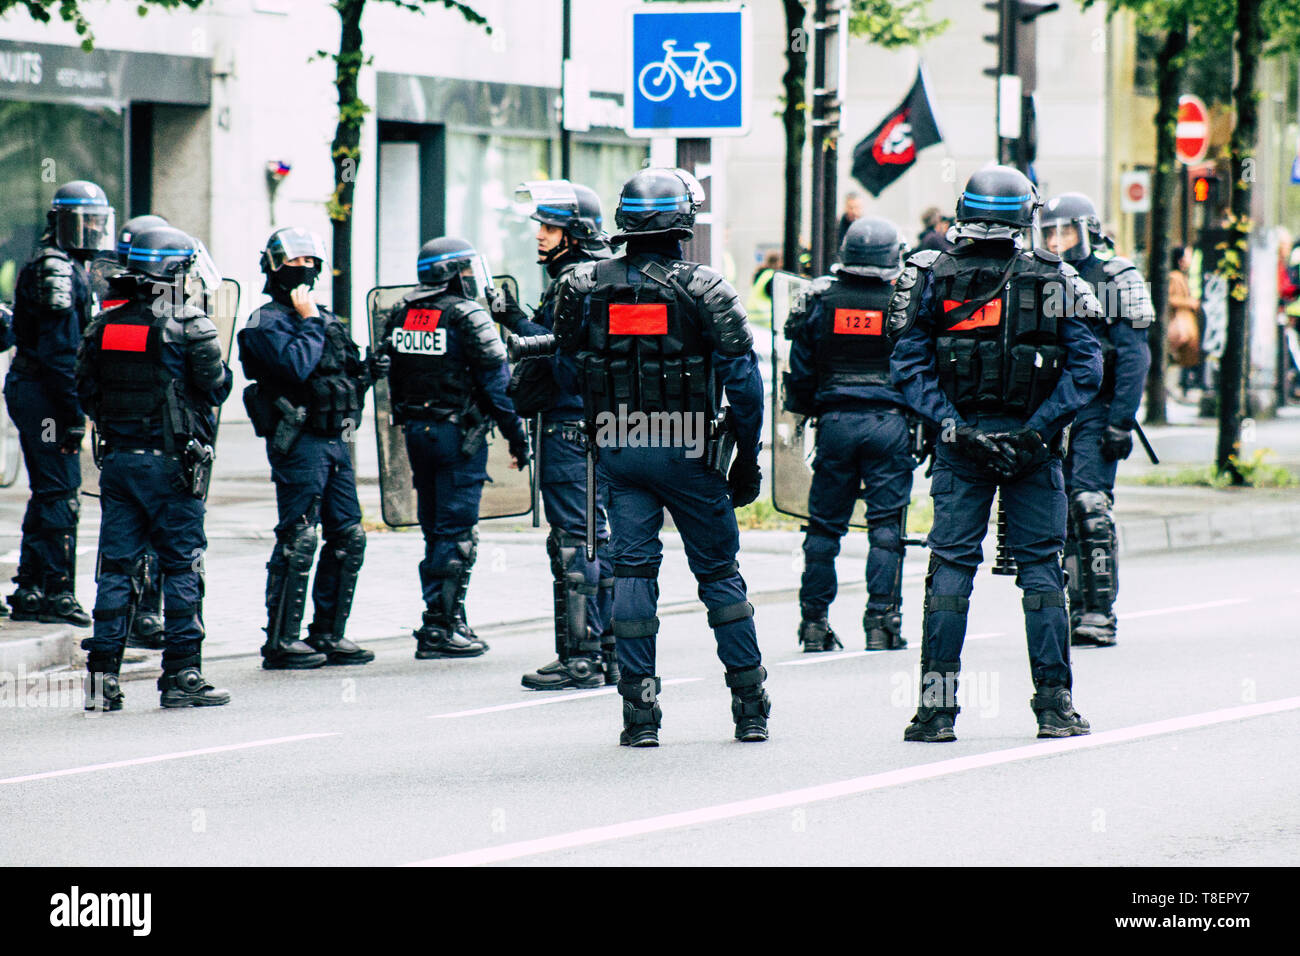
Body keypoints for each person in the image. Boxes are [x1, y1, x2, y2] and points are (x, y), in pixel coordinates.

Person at [551, 167, 769, 747]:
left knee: (633, 572)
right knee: (719, 574)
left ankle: (639, 716)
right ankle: (749, 708)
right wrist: (746, 459)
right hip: (689, 451)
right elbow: (745, 388)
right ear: (684, 222)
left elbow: (564, 361)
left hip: (619, 450)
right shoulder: (705, 289)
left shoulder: (581, 285)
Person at [887, 164, 1103, 742]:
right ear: (1027, 216)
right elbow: (1088, 369)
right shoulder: (1057, 279)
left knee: (951, 568)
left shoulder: (932, 277)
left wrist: (954, 428)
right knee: (1040, 572)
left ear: (964, 210)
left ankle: (935, 713)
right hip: (1033, 449)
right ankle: (1054, 708)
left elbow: (907, 365)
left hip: (962, 447)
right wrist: (1036, 432)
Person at [75, 226, 233, 710]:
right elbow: (217, 387)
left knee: (117, 567)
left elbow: (86, 391)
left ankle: (103, 681)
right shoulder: (190, 324)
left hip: (120, 462)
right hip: (172, 466)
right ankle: (183, 674)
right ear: (172, 272)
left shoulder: (105, 324)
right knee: (182, 562)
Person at [377, 237, 529, 659]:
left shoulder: (401, 313)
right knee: (456, 533)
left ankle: (442, 617)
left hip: (416, 434)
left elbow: (389, 372)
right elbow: (498, 388)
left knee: (435, 529)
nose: (470, 280)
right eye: (465, 271)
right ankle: (441, 627)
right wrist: (518, 437)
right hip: (457, 437)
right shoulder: (469, 316)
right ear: (452, 274)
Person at [238, 227, 383, 670]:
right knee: (300, 536)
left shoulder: (327, 318)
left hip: (336, 442)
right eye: (292, 264)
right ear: (273, 268)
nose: (303, 270)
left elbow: (344, 380)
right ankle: (281, 641)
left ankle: (328, 633)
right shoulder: (264, 322)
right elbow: (296, 366)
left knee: (348, 536)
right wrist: (309, 319)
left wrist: (370, 371)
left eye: (309, 263)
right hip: (299, 442)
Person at [499, 181, 618, 688]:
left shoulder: (575, 282)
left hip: (568, 425)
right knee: (596, 537)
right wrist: (521, 318)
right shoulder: (596, 278)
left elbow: (558, 357)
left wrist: (512, 323)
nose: (541, 237)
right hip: (592, 425)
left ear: (577, 233)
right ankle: (608, 651)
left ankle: (582, 657)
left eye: (550, 228)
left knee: (574, 542)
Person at [784, 217, 916, 653]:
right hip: (890, 424)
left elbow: (800, 370)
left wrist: (803, 412)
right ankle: (882, 622)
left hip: (837, 423)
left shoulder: (820, 299)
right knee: (885, 527)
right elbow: (922, 366)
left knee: (823, 528)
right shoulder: (905, 300)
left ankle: (813, 624)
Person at [1039, 193, 1153, 648]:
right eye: (1049, 232)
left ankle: (1099, 612)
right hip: (1053, 413)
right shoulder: (1041, 277)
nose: (1057, 239)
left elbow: (1133, 354)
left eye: (1065, 230)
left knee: (1090, 505)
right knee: (1058, 512)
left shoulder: (1114, 276)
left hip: (1097, 409)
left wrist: (1121, 420)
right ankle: (1069, 608)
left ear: (1086, 230)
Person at [4, 181, 111, 627]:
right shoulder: (57, 271)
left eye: (96, 222)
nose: (91, 230)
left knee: (50, 490)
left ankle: (31, 588)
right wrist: (72, 418)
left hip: (42, 391)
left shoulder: (70, 266)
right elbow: (59, 356)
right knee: (61, 492)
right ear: (62, 222)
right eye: (83, 221)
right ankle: (54, 591)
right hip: (44, 395)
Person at [1166, 246, 1201, 398]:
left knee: (1179, 355)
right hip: (1179, 321)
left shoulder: (1181, 276)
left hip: (1183, 320)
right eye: (1187, 256)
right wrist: (1190, 302)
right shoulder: (1175, 277)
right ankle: (1170, 387)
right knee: (1175, 354)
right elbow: (1170, 298)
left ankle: (1174, 387)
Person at [745, 249, 782, 329]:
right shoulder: (772, 276)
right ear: (778, 262)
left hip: (752, 318)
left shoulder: (760, 274)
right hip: (765, 322)